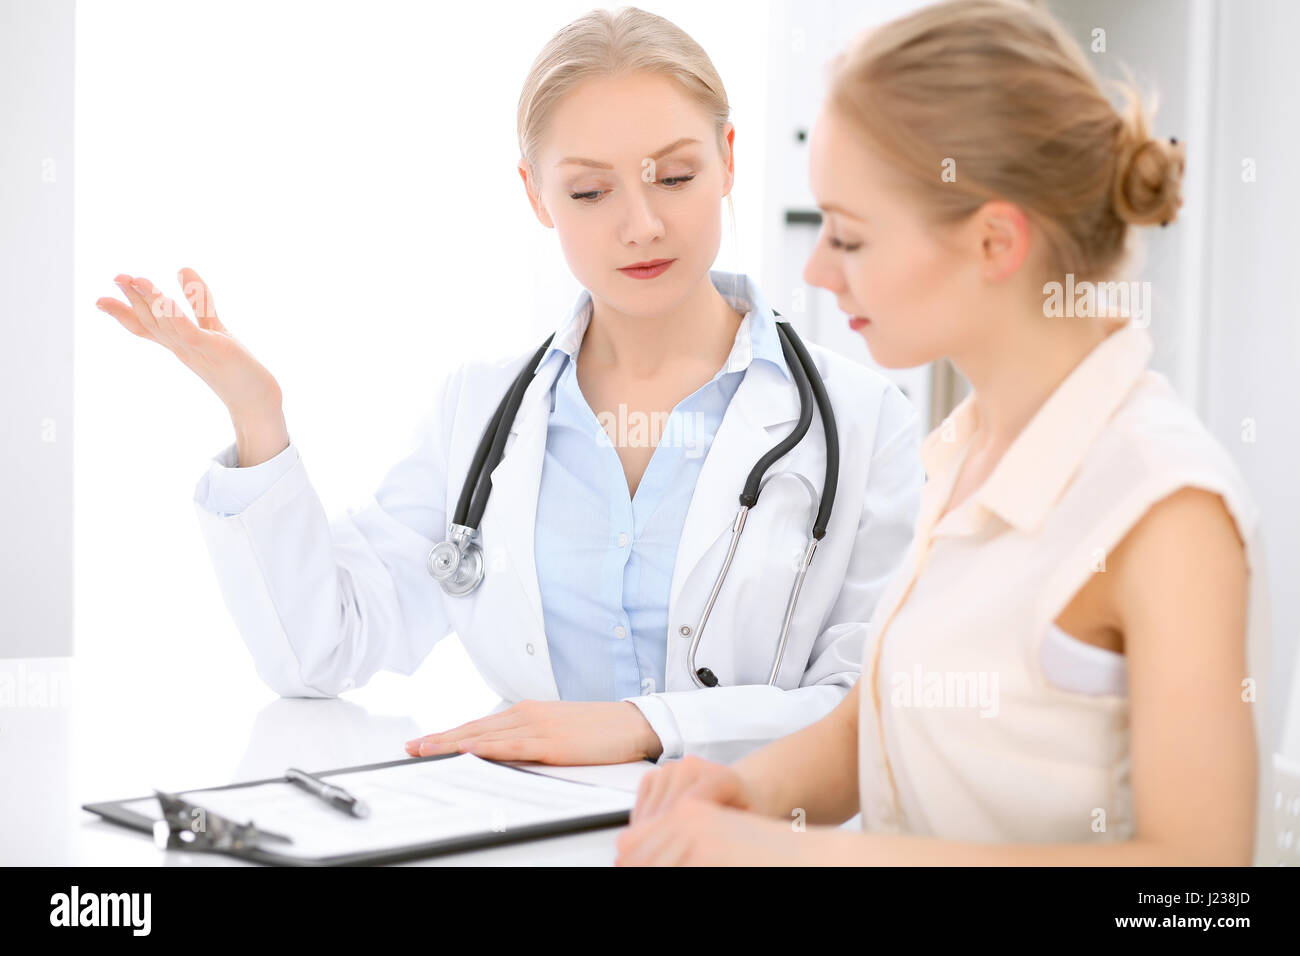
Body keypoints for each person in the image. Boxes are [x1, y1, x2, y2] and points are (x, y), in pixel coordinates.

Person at [95, 7, 923, 767]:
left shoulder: (862, 419)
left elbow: (871, 704)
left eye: (673, 176)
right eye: (590, 191)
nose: (641, 223)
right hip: (521, 838)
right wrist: (256, 414)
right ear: (535, 195)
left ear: (729, 160)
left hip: (752, 844)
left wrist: (646, 726)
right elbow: (322, 648)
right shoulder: (480, 412)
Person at [615, 0, 1273, 863]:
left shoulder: (1164, 506)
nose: (815, 268)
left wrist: (790, 854)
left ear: (996, 240)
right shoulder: (971, 445)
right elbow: (892, 716)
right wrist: (752, 790)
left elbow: (1198, 887)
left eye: (848, 237)